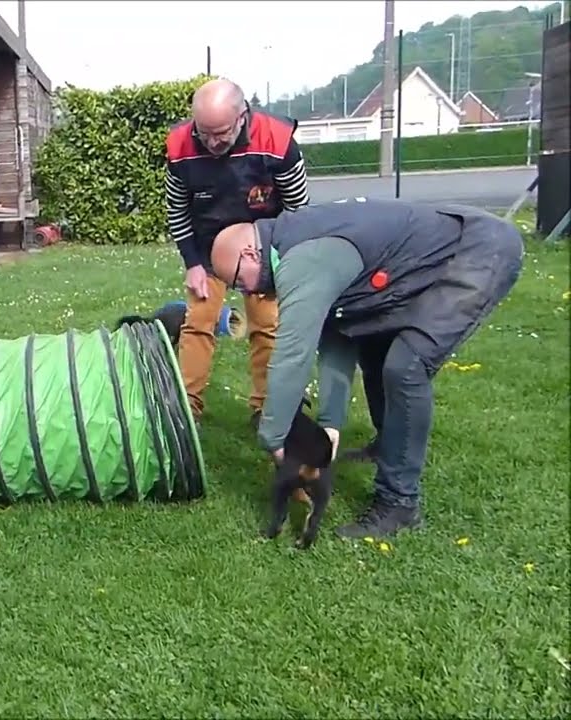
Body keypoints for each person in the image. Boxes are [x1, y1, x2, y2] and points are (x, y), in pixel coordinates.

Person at [207, 197, 524, 538]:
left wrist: (273, 436)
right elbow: (338, 336)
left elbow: (292, 354)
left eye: (240, 282)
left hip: (476, 253)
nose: (248, 292)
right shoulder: (290, 243)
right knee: (374, 347)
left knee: (406, 366)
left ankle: (399, 503)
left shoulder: (303, 261)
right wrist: (330, 423)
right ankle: (390, 446)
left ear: (251, 254)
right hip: (436, 253)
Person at [163, 78, 310, 426]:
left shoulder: (278, 141)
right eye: (205, 132)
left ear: (242, 116)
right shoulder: (180, 146)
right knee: (198, 322)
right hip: (208, 245)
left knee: (267, 324)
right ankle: (187, 410)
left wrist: (284, 263)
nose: (212, 142)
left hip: (261, 248)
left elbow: (299, 211)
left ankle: (267, 408)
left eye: (221, 133)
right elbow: (177, 210)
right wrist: (193, 264)